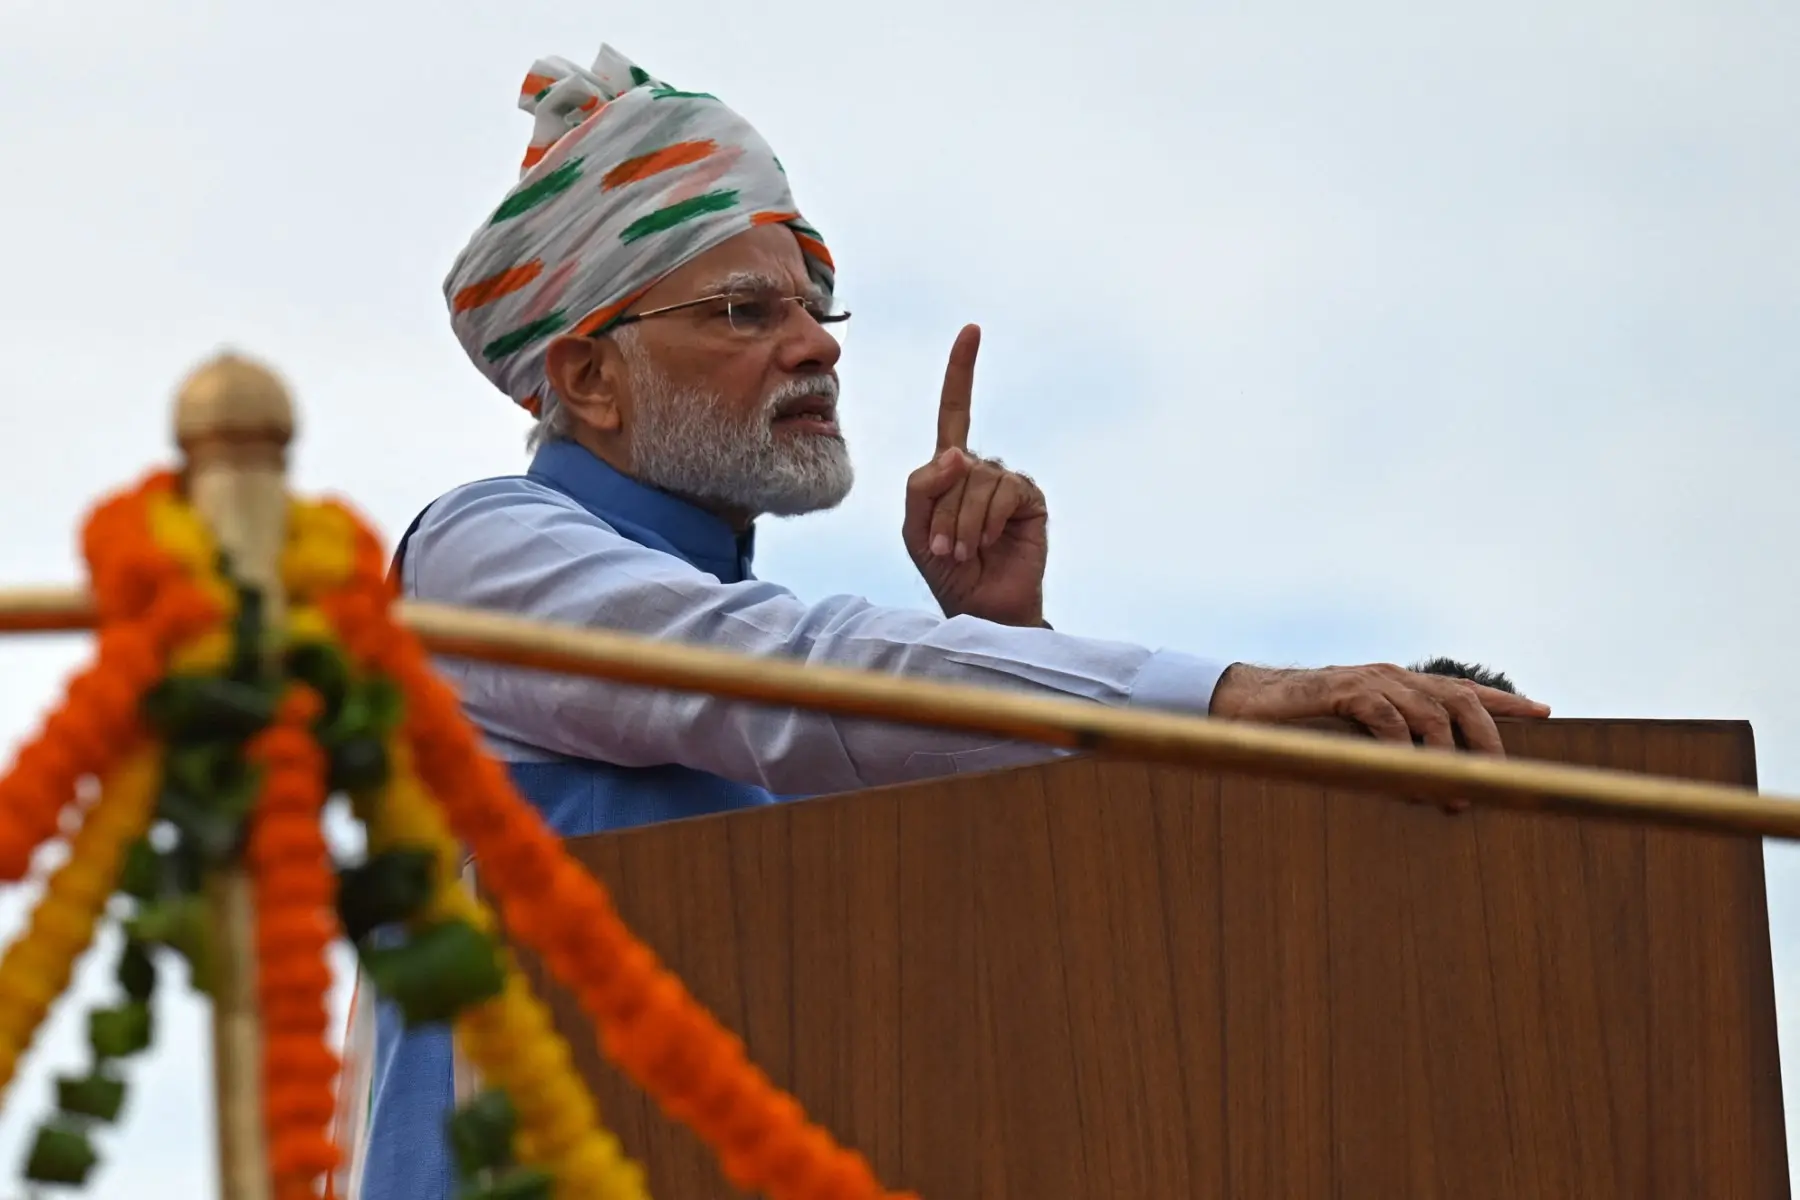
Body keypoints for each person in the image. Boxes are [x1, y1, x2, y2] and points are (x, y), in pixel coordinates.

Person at [336, 41, 1550, 1200]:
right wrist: (1234, 695)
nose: (815, 345)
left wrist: (1006, 635)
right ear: (590, 378)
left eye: (818, 306)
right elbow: (780, 685)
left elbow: (978, 962)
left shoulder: (770, 663)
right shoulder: (477, 559)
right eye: (747, 313)